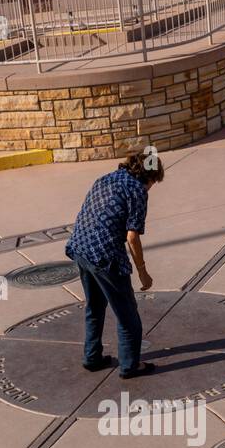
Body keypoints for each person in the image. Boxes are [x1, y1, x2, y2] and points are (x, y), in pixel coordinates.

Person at [64, 151, 164, 379]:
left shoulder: (106, 178)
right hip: (105, 256)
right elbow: (132, 237)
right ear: (149, 177)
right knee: (128, 316)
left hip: (80, 247)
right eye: (154, 182)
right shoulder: (138, 190)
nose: (152, 187)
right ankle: (130, 366)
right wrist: (143, 273)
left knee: (95, 306)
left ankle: (92, 357)